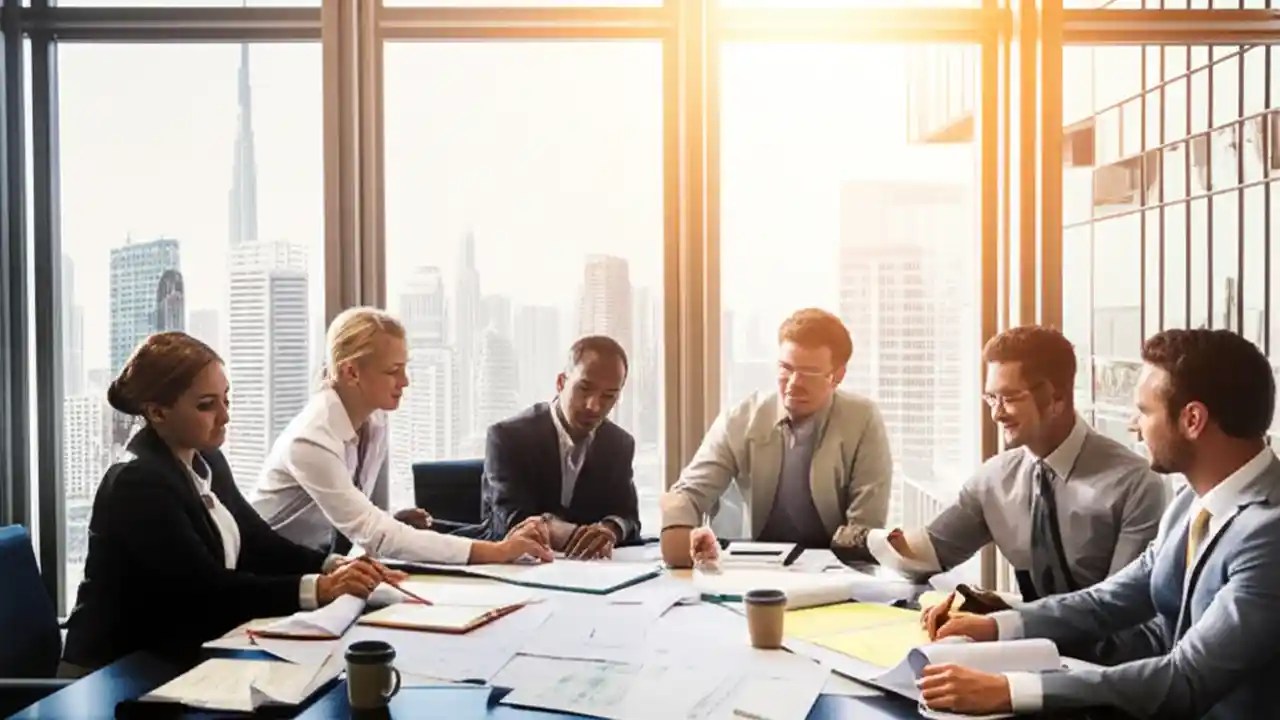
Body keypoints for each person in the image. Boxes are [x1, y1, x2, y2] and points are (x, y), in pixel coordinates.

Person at [917, 329, 1280, 719]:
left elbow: (1185, 678)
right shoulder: (1190, 503)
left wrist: (1011, 690)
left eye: (1144, 411)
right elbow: (1107, 601)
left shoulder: (1269, 533)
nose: (1134, 425)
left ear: (1192, 419)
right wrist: (997, 626)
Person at [60, 332, 402, 677]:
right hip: (115, 672)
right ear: (157, 412)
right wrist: (321, 588)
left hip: (179, 653)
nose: (224, 416)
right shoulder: (138, 483)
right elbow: (205, 592)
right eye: (206, 405)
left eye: (226, 399)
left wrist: (334, 566)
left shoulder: (206, 458)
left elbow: (257, 541)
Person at [848, 326, 1168, 604]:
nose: (997, 414)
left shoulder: (1135, 484)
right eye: (991, 398)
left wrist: (1007, 619)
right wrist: (855, 539)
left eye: (1010, 398)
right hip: (1020, 644)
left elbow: (1121, 608)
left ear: (1056, 399)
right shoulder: (994, 479)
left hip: (1110, 653)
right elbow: (927, 553)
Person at [251, 307, 551, 565]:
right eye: (393, 370)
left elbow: (357, 516)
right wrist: (497, 552)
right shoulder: (311, 439)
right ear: (351, 372)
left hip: (316, 559)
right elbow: (373, 533)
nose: (404, 381)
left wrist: (390, 519)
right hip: (269, 568)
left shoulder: (374, 420)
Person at [660, 308, 893, 568]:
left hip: (836, 567)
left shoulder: (862, 420)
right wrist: (680, 536)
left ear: (837, 376)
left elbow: (865, 526)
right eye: (786, 368)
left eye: (809, 372)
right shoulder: (741, 419)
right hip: (754, 566)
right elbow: (688, 492)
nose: (793, 383)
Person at [477, 336, 640, 559]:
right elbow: (511, 519)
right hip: (513, 566)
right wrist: (569, 533)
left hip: (588, 570)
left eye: (609, 396)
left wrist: (610, 529)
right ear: (561, 382)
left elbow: (628, 517)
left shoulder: (619, 444)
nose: (594, 406)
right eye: (585, 389)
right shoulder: (508, 437)